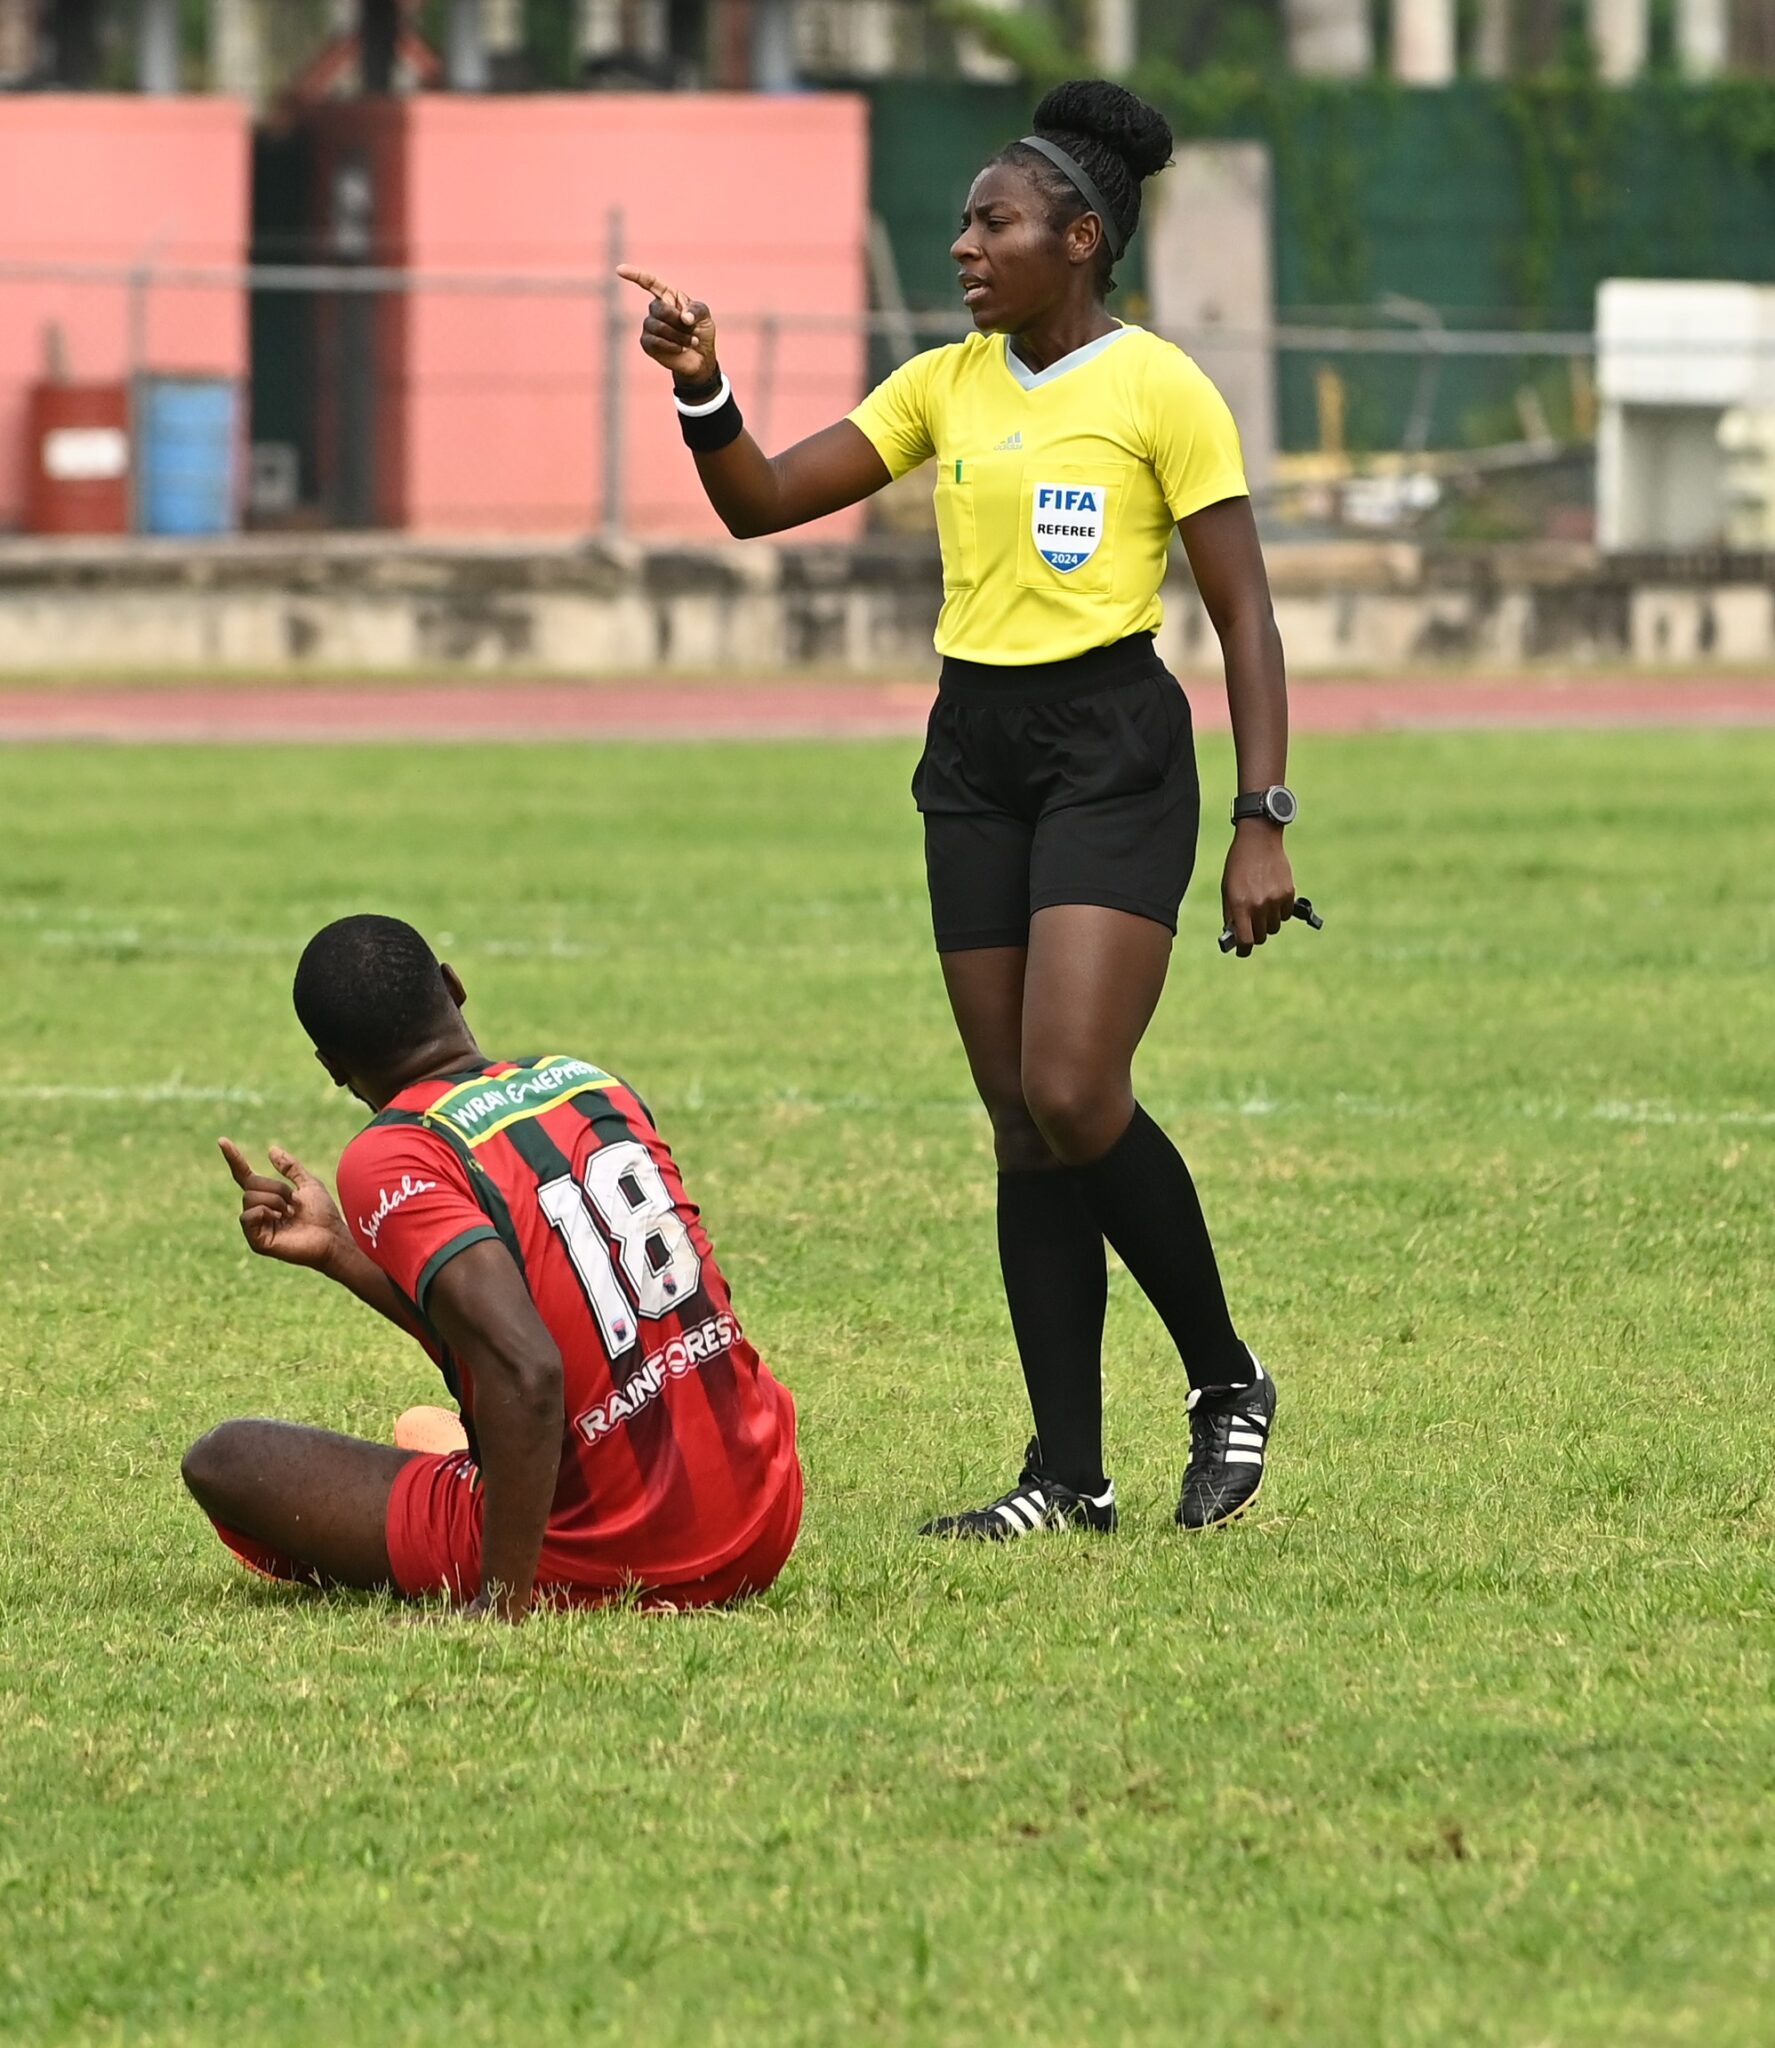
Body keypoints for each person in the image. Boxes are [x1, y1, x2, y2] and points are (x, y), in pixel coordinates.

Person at [619, 79, 1297, 1540]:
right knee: (1018, 1125)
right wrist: (701, 384)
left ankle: (1224, 1377)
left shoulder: (1161, 389)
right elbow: (759, 499)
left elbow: (1243, 614)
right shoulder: (943, 383)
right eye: (963, 225)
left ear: (1078, 237)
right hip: (974, 753)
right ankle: (1067, 1477)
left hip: (1112, 747)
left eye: (993, 225)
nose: (963, 247)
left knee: (1072, 1088)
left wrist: (1262, 814)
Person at [182, 915, 801, 1618]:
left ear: (332, 1066)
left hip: (620, 1549)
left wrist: (500, 1602)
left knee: (229, 1459)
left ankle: (481, 1491)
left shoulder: (393, 1152)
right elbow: (542, 1319)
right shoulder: (589, 1084)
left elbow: (526, 1371)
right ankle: (471, 1462)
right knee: (450, 1413)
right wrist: (337, 1250)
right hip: (762, 1507)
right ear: (453, 986)